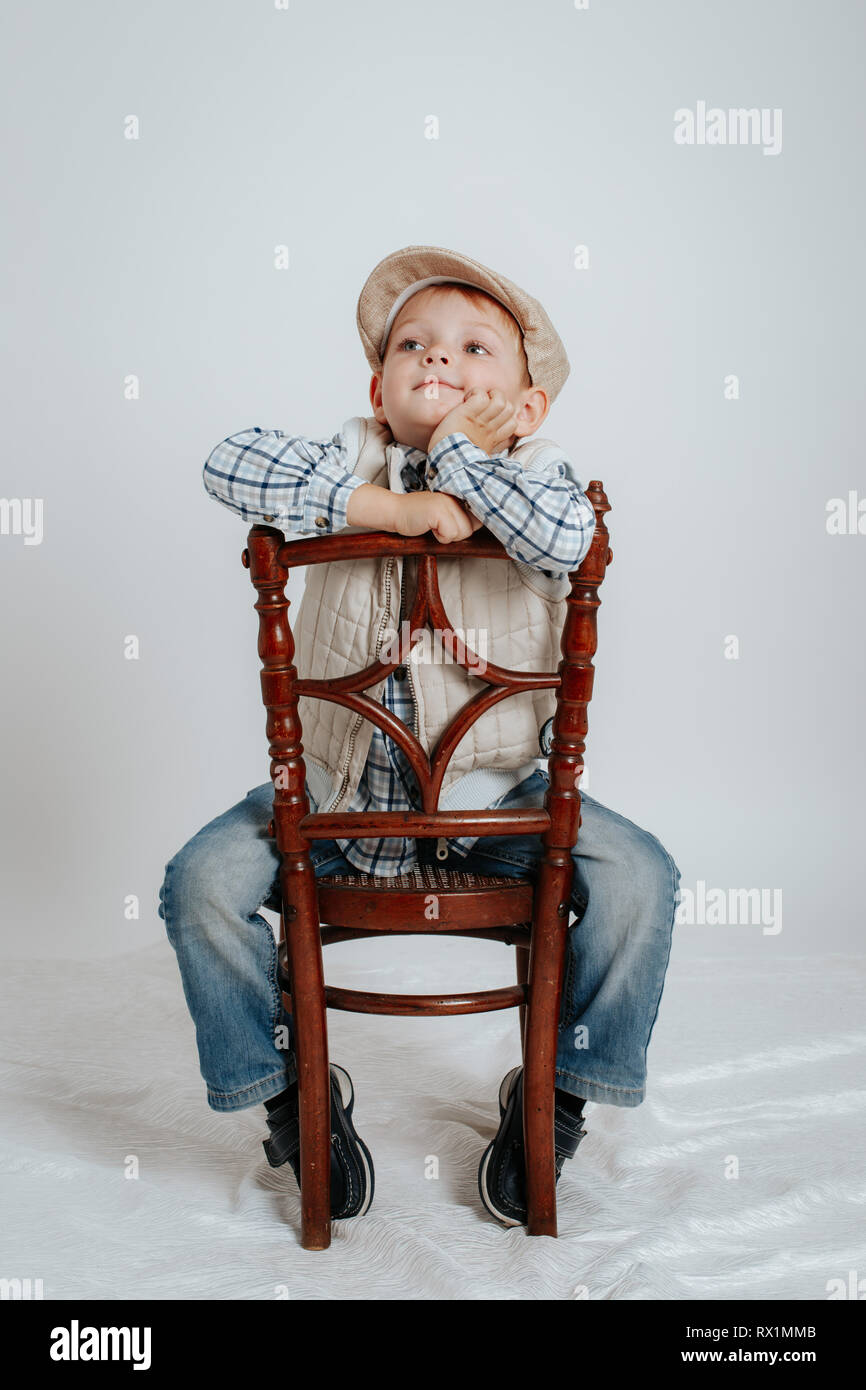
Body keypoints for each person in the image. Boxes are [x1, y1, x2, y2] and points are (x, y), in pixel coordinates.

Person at [159, 244, 681, 1227]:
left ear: (525, 409)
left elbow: (565, 541)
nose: (436, 360)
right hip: (326, 795)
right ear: (377, 384)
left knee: (643, 882)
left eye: (474, 348)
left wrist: (459, 461)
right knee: (199, 887)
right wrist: (388, 506)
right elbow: (226, 460)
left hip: (499, 804)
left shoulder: (539, 474)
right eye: (413, 345)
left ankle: (552, 1102)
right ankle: (291, 1100)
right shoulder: (346, 456)